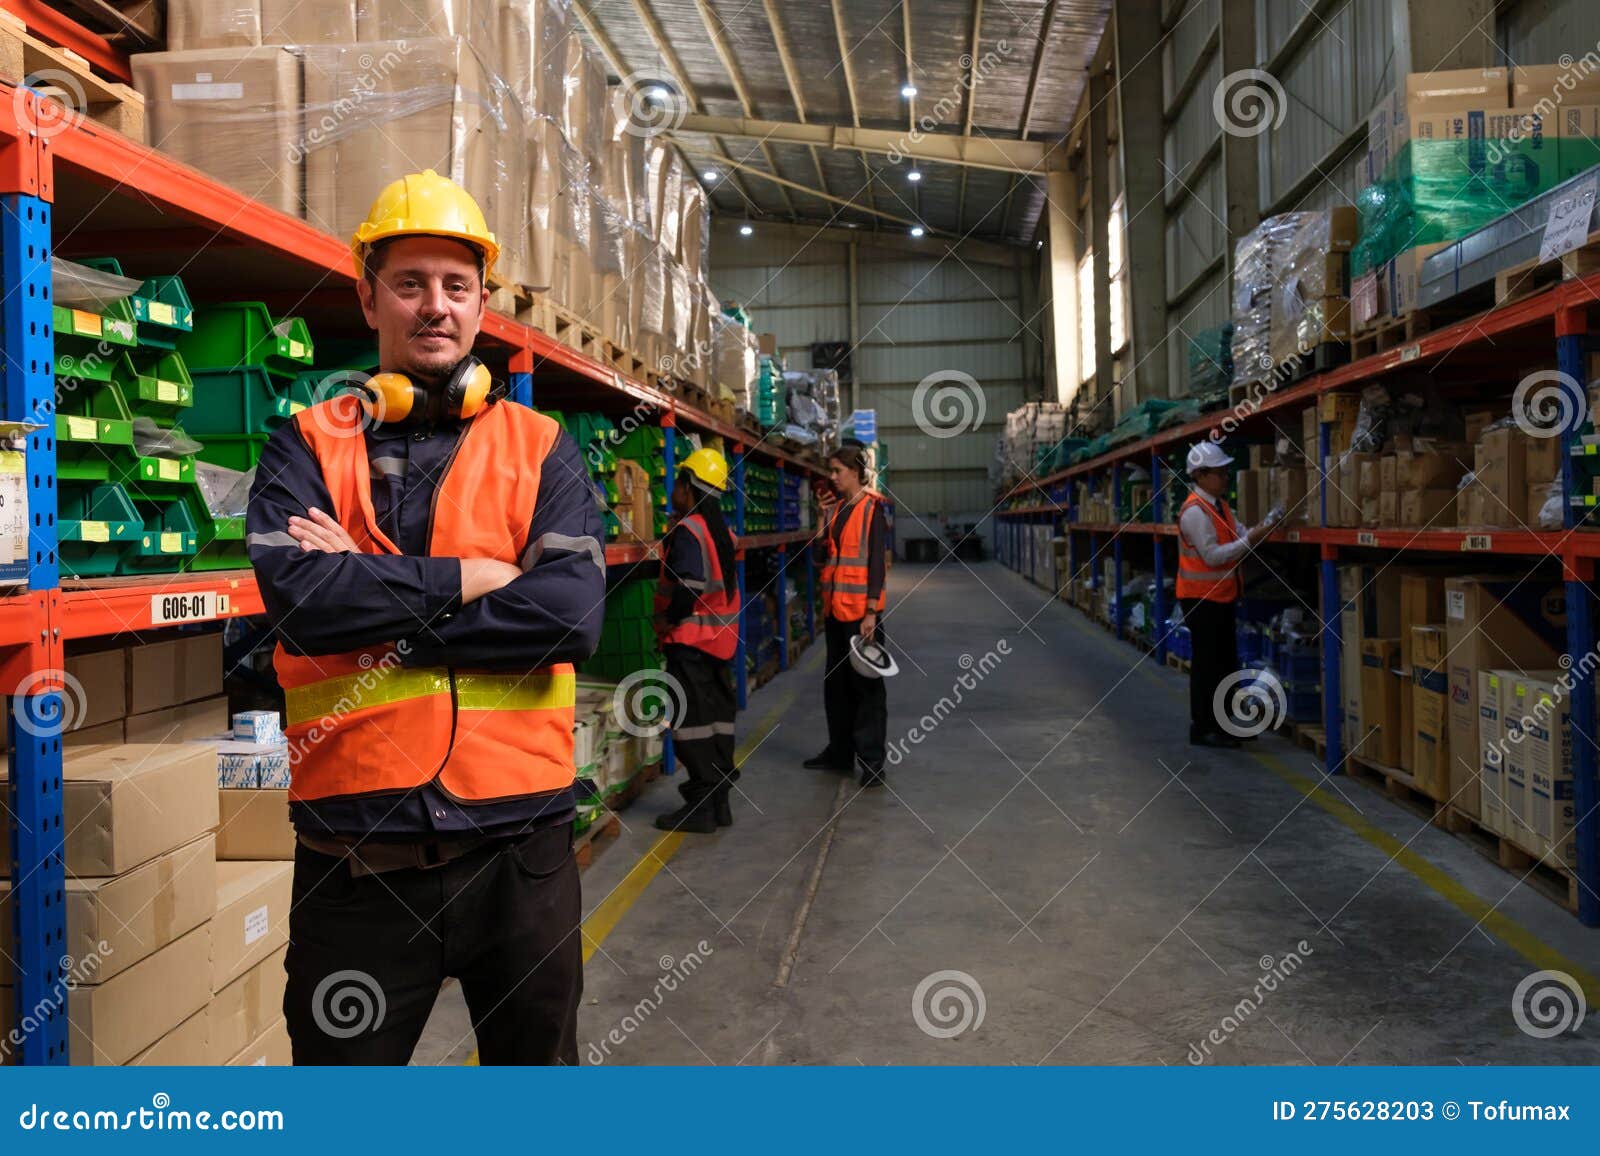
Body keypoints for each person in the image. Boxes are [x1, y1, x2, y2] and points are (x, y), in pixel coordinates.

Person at [246, 170, 605, 1065]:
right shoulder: (302, 442)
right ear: (368, 298)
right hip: (357, 864)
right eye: (410, 284)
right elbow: (303, 603)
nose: (434, 306)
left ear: (483, 304)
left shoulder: (541, 447)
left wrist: (370, 585)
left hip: (521, 858)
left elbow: (568, 617)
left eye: (455, 286)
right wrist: (479, 575)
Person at [651, 448, 743, 833]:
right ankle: (719, 803)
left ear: (689, 487)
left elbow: (689, 586)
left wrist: (668, 624)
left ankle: (702, 806)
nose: (674, 488)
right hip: (718, 643)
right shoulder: (721, 532)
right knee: (716, 720)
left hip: (689, 642)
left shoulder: (690, 531)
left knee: (689, 724)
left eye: (679, 481)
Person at [1177, 441, 1279, 749]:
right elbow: (1213, 556)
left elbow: (1240, 532)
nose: (1225, 477)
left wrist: (1263, 527)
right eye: (1220, 473)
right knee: (1207, 665)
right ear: (1201, 475)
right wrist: (1252, 539)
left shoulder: (1220, 507)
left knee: (1225, 663)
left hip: (1221, 596)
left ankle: (1222, 725)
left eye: (1225, 472)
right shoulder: (1194, 512)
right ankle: (1203, 726)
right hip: (1200, 600)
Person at [803, 444, 890, 786]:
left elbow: (876, 567)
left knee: (867, 689)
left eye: (838, 471)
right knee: (836, 686)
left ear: (856, 472)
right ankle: (840, 753)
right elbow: (820, 561)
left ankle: (871, 763)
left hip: (861, 616)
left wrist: (871, 611)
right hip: (836, 613)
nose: (833, 477)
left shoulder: (873, 510)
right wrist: (822, 524)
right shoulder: (835, 510)